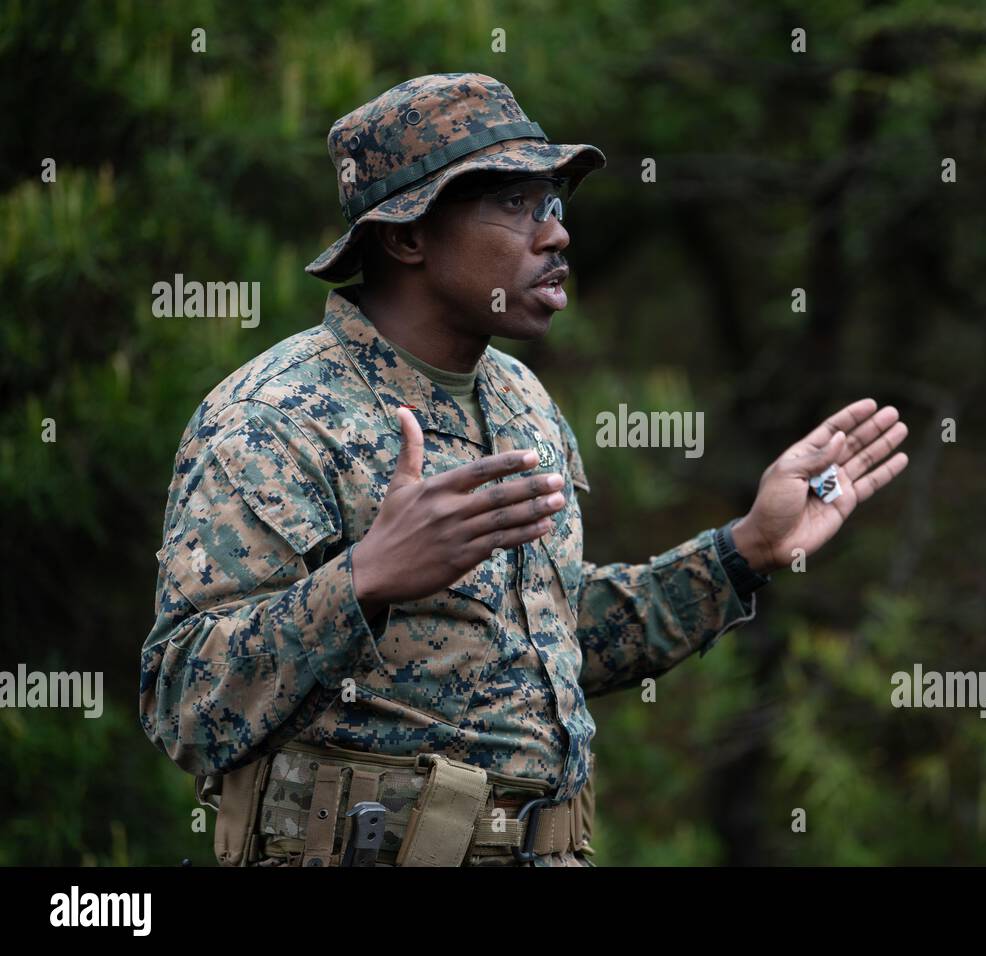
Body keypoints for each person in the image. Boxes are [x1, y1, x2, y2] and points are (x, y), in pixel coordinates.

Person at [138, 73, 910, 867]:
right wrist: (363, 579)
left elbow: (546, 641)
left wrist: (742, 551)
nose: (556, 235)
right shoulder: (274, 417)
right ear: (406, 237)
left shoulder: (520, 399)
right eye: (514, 205)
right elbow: (184, 704)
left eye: (554, 203)